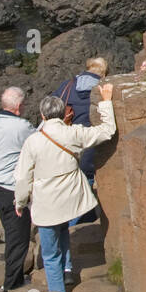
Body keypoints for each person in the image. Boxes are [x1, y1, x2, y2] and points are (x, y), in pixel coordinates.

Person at [14, 84, 116, 292]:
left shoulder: (33, 141)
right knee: (64, 232)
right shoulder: (73, 133)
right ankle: (68, 269)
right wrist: (106, 101)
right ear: (64, 113)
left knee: (50, 254)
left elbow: (23, 177)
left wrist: (20, 203)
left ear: (42, 115)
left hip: (47, 202)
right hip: (71, 198)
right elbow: (107, 131)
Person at [0, 86, 35, 292]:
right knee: (18, 237)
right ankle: (12, 283)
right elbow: (35, 147)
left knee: (10, 231)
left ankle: (15, 276)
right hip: (14, 188)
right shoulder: (23, 127)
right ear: (19, 106)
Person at [54, 56, 108, 225]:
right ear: (104, 72)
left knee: (72, 187)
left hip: (66, 146)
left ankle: (78, 222)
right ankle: (75, 228)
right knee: (86, 183)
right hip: (90, 147)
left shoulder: (67, 86)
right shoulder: (103, 90)